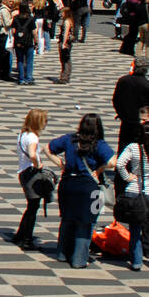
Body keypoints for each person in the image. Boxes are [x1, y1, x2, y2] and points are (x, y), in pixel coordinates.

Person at [52, 113, 113, 269]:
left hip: (67, 186)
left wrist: (61, 164)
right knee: (85, 224)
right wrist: (99, 170)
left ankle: (62, 253)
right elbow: (113, 162)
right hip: (89, 189)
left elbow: (47, 148)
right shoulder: (99, 144)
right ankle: (79, 260)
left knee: (67, 219)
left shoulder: (69, 139)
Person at [115, 105, 149, 271]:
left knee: (135, 227)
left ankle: (136, 260)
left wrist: (128, 177)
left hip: (136, 190)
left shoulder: (134, 148)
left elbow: (120, 163)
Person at [12, 109, 50, 250]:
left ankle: (20, 235)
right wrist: (38, 164)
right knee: (33, 207)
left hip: (23, 171)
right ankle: (27, 238)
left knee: (31, 207)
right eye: (45, 121)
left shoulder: (23, 134)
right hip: (31, 174)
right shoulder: (33, 137)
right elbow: (32, 154)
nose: (46, 124)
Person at [113, 58, 149, 156]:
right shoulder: (146, 85)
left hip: (126, 119)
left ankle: (120, 167)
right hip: (140, 122)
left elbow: (116, 99)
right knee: (138, 147)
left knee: (123, 144)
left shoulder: (123, 80)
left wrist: (120, 113)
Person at [12, 0, 39, 85]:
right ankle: (28, 77)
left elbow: (13, 31)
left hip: (18, 42)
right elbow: (34, 32)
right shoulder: (30, 19)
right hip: (28, 42)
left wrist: (16, 37)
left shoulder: (16, 18)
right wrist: (37, 42)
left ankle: (21, 78)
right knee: (29, 60)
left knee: (20, 60)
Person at [56, 5, 76, 84]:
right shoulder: (70, 21)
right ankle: (66, 76)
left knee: (65, 60)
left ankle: (64, 77)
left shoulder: (67, 21)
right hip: (68, 42)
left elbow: (66, 33)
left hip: (65, 42)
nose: (61, 14)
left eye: (62, 13)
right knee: (66, 59)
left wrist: (64, 43)